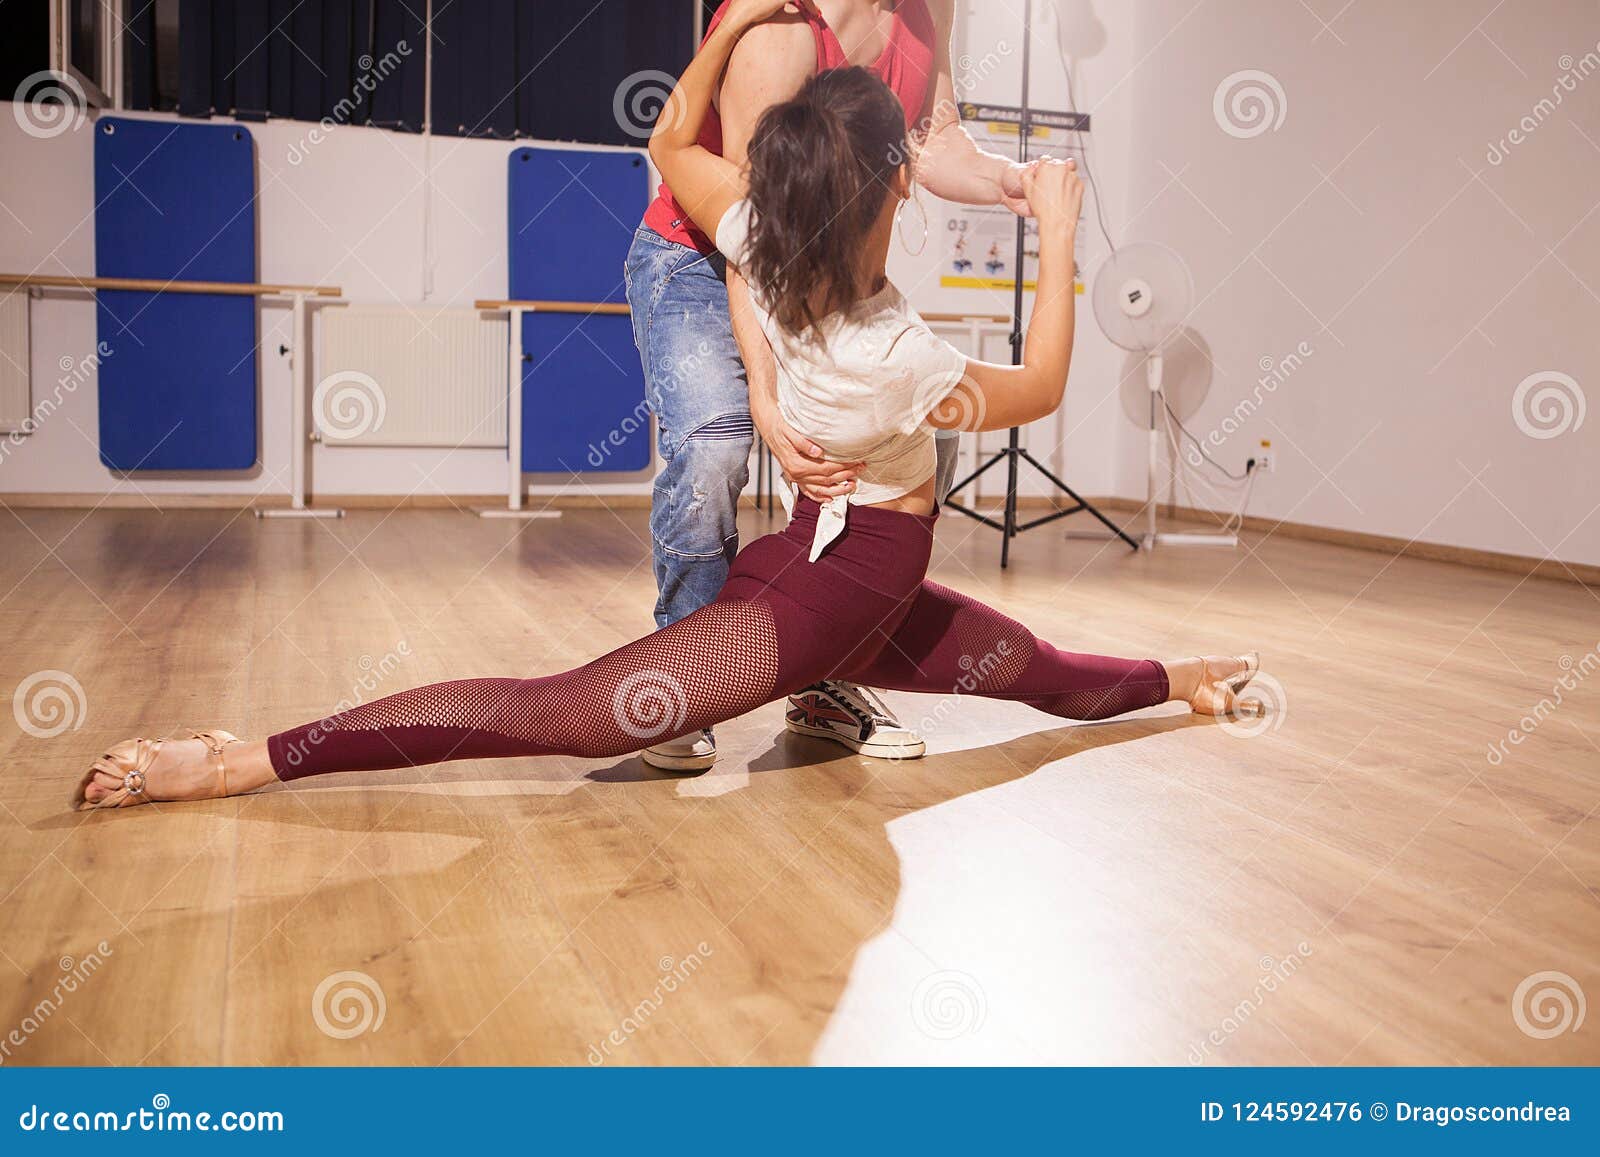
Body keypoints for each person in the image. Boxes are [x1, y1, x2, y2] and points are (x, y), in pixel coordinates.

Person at [75, 0, 1259, 812]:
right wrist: (1053, 233)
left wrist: (728, 26)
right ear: (893, 186)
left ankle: (1190, 677)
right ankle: (244, 762)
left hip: (835, 574)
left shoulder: (759, 231)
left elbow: (664, 136)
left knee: (1046, 672)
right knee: (573, 712)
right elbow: (1046, 382)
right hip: (822, 596)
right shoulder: (895, 352)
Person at [625, 0, 1037, 771]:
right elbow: (755, 224)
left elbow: (933, 140)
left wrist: (1013, 182)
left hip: (805, 272)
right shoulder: (782, 27)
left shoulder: (928, 11)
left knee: (915, 436)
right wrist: (766, 396)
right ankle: (680, 678)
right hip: (700, 255)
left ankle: (823, 681)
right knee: (716, 447)